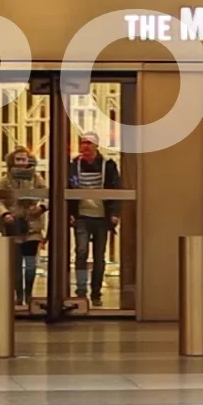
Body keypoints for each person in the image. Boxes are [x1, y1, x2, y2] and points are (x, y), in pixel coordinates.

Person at [68, 131, 122, 305]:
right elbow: (68, 189)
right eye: (83, 143)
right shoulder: (74, 165)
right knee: (81, 252)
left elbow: (115, 189)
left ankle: (96, 292)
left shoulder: (108, 165)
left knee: (99, 256)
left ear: (96, 146)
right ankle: (81, 289)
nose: (85, 146)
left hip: (101, 217)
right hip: (82, 216)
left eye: (89, 143)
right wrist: (70, 213)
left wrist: (114, 213)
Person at [0, 147, 47, 309]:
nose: (20, 163)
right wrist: (5, 214)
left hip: (33, 227)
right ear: (11, 161)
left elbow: (47, 195)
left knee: (31, 264)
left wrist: (41, 208)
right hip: (14, 227)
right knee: (16, 265)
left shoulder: (37, 178)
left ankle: (29, 294)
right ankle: (18, 296)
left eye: (23, 159)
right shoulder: (5, 180)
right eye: (17, 159)